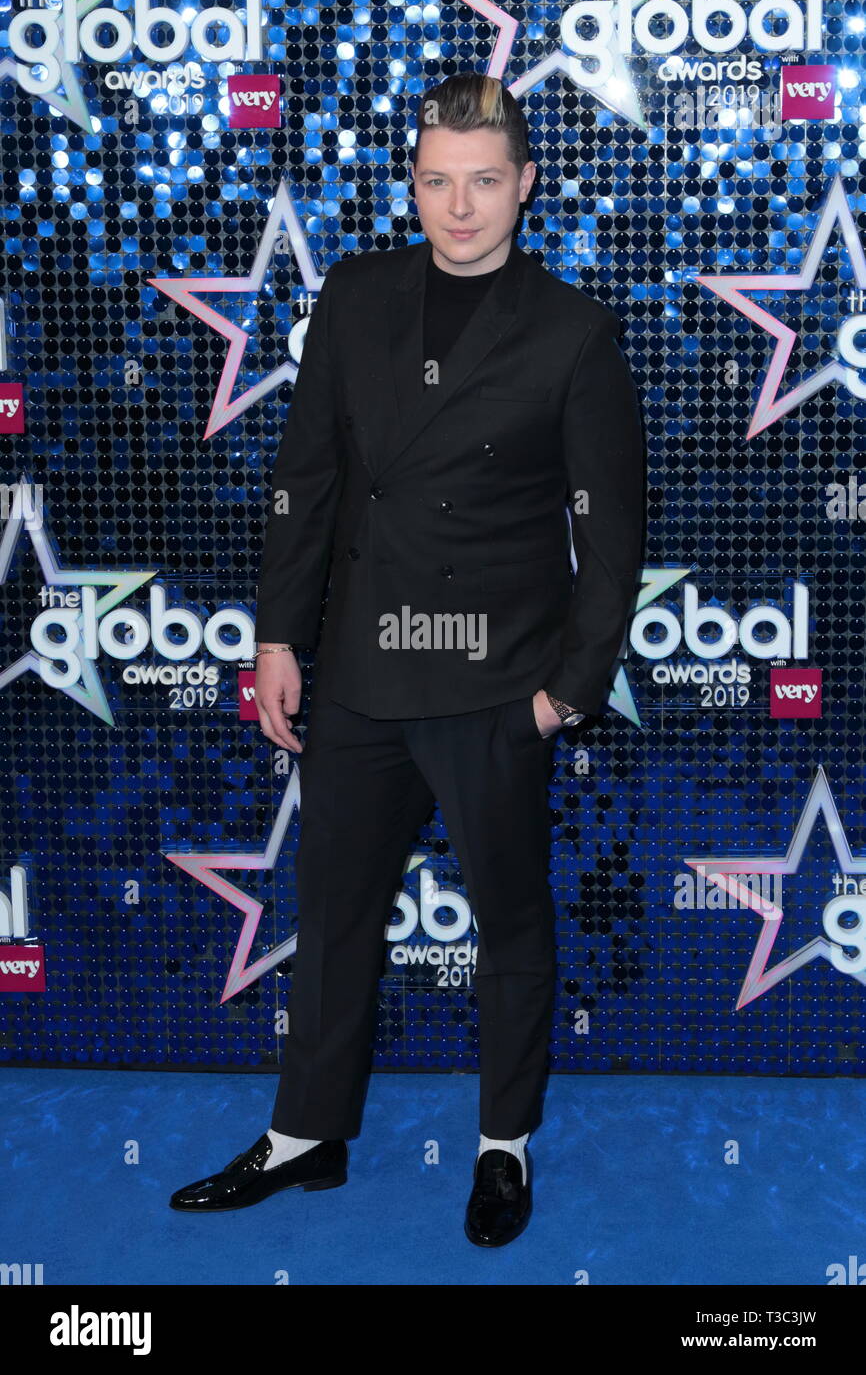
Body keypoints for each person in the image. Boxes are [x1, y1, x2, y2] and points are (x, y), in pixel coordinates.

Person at [170, 72, 645, 1247]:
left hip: (492, 686)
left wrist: (562, 696)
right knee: (329, 917)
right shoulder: (354, 294)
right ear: (414, 183)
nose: (460, 206)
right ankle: (306, 1134)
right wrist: (279, 634)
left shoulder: (573, 331)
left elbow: (612, 535)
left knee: (508, 927)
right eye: (437, 181)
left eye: (483, 181)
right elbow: (309, 480)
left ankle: (501, 1146)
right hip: (363, 674)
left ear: (524, 184)